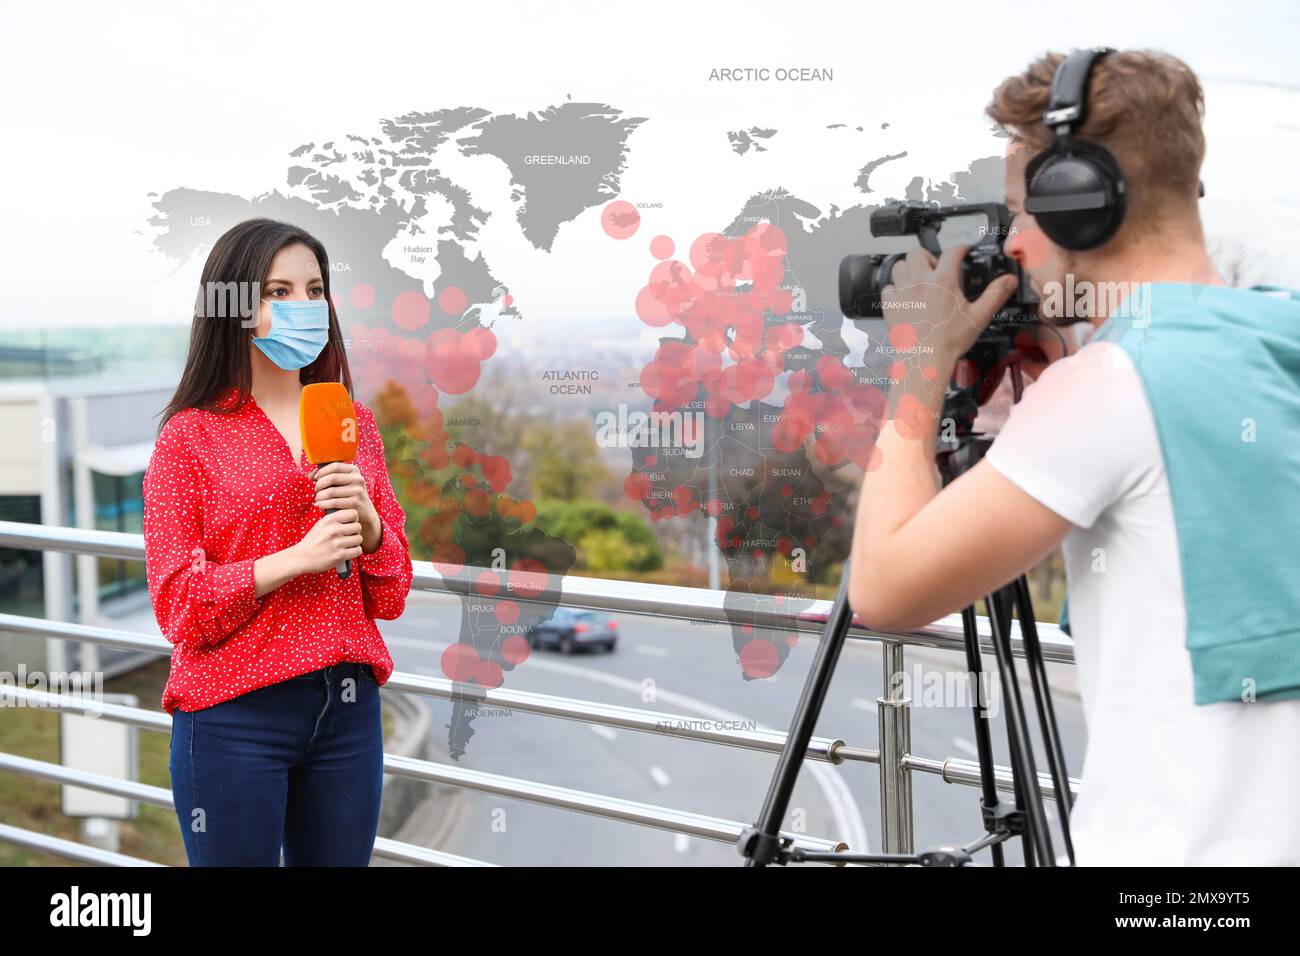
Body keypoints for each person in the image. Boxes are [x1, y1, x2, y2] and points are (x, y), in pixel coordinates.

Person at [847, 49, 1300, 865]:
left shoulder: (1108, 389)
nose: (1014, 242)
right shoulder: (1276, 337)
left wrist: (917, 377)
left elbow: (884, 591)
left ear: (1080, 205)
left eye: (1021, 211)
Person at [143, 218, 413, 866]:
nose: (304, 308)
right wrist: (296, 560)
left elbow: (394, 590)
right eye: (278, 292)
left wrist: (371, 527)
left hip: (347, 712)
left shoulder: (355, 423)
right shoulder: (189, 438)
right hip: (234, 717)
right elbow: (177, 604)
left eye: (315, 290)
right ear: (234, 307)